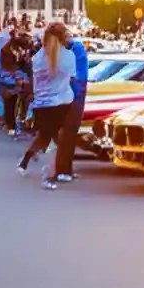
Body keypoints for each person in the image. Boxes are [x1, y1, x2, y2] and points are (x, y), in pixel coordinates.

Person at [18, 23, 76, 189]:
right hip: (62, 102)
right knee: (57, 139)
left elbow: (35, 80)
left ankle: (28, 161)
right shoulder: (68, 57)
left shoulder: (38, 58)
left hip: (42, 103)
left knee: (45, 136)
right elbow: (72, 77)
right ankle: (50, 175)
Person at [55, 33, 91, 184]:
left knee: (69, 135)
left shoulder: (73, 49)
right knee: (66, 135)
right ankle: (62, 170)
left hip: (72, 97)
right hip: (72, 98)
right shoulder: (74, 49)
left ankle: (66, 169)